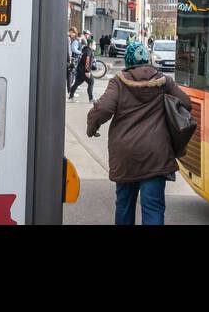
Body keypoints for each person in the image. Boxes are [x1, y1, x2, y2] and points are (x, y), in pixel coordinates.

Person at [87, 41, 191, 225]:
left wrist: (92, 127)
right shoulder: (164, 81)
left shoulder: (118, 82)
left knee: (124, 205)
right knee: (153, 208)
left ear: (128, 60)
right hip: (156, 156)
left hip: (126, 156)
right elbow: (186, 103)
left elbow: (103, 109)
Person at [69, 35, 96, 102]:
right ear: (90, 44)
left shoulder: (86, 50)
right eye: (94, 44)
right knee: (91, 82)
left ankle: (71, 96)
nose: (95, 46)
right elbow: (87, 61)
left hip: (80, 70)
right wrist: (87, 71)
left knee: (77, 83)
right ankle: (91, 98)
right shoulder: (88, 51)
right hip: (84, 71)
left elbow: (87, 61)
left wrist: (92, 67)